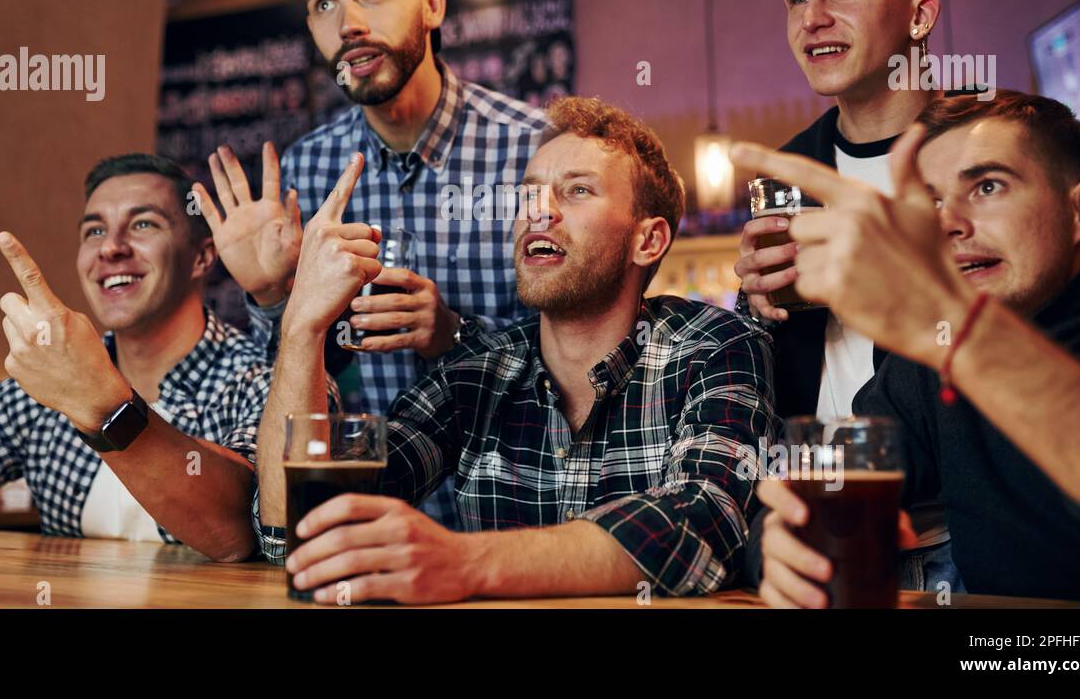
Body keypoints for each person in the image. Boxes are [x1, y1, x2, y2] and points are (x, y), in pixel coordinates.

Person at [732, 0, 1080, 589]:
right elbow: (817, 453)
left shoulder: (995, 132)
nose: (812, 18)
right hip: (878, 504)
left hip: (973, 518)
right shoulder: (787, 175)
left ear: (920, 16)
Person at [252, 97, 775, 603]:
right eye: (530, 195)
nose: (539, 213)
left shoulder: (714, 348)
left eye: (576, 192)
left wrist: (461, 562)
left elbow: (704, 519)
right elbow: (297, 531)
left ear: (648, 241)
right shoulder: (476, 373)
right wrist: (302, 325)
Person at [194, 0, 548, 529]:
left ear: (432, 4)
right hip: (373, 524)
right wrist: (273, 295)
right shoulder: (309, 168)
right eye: (323, 4)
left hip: (521, 517)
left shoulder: (536, 150)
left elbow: (594, 351)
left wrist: (453, 334)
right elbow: (307, 383)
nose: (348, 24)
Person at [0, 155, 268, 561]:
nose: (112, 248)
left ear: (202, 257)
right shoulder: (46, 384)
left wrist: (100, 402)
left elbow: (236, 533)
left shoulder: (257, 378)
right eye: (94, 231)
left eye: (143, 224)